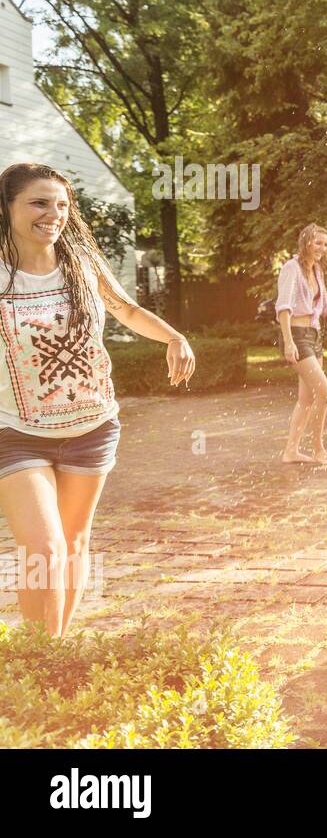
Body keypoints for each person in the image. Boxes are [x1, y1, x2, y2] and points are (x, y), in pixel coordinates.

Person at [0, 162, 196, 636]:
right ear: (7, 208)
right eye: (39, 203)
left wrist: (174, 338)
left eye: (63, 204)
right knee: (42, 550)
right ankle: (38, 662)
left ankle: (56, 649)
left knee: (72, 543)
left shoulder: (81, 261)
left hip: (92, 427)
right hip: (17, 433)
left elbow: (125, 308)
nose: (54, 214)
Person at [277, 224, 327, 465]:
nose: (322, 248)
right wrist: (289, 342)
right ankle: (318, 449)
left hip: (314, 335)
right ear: (306, 243)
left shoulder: (317, 271)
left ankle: (290, 451)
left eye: (325, 243)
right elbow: (283, 307)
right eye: (318, 242)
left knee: (307, 399)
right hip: (297, 336)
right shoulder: (292, 268)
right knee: (325, 393)